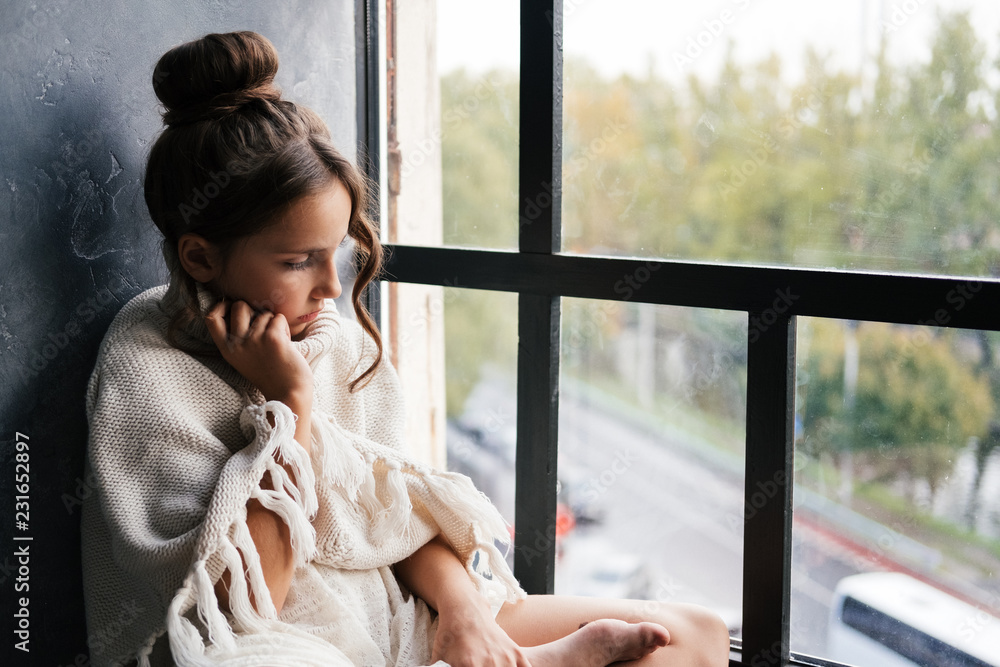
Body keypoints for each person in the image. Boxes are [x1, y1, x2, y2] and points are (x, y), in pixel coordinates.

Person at [80, 30, 731, 667]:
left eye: (335, 252)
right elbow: (240, 608)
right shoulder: (148, 369)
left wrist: (464, 612)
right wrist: (293, 404)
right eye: (298, 260)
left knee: (694, 636)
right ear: (200, 255)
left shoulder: (330, 337)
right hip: (301, 642)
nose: (333, 286)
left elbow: (392, 510)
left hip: (403, 611)